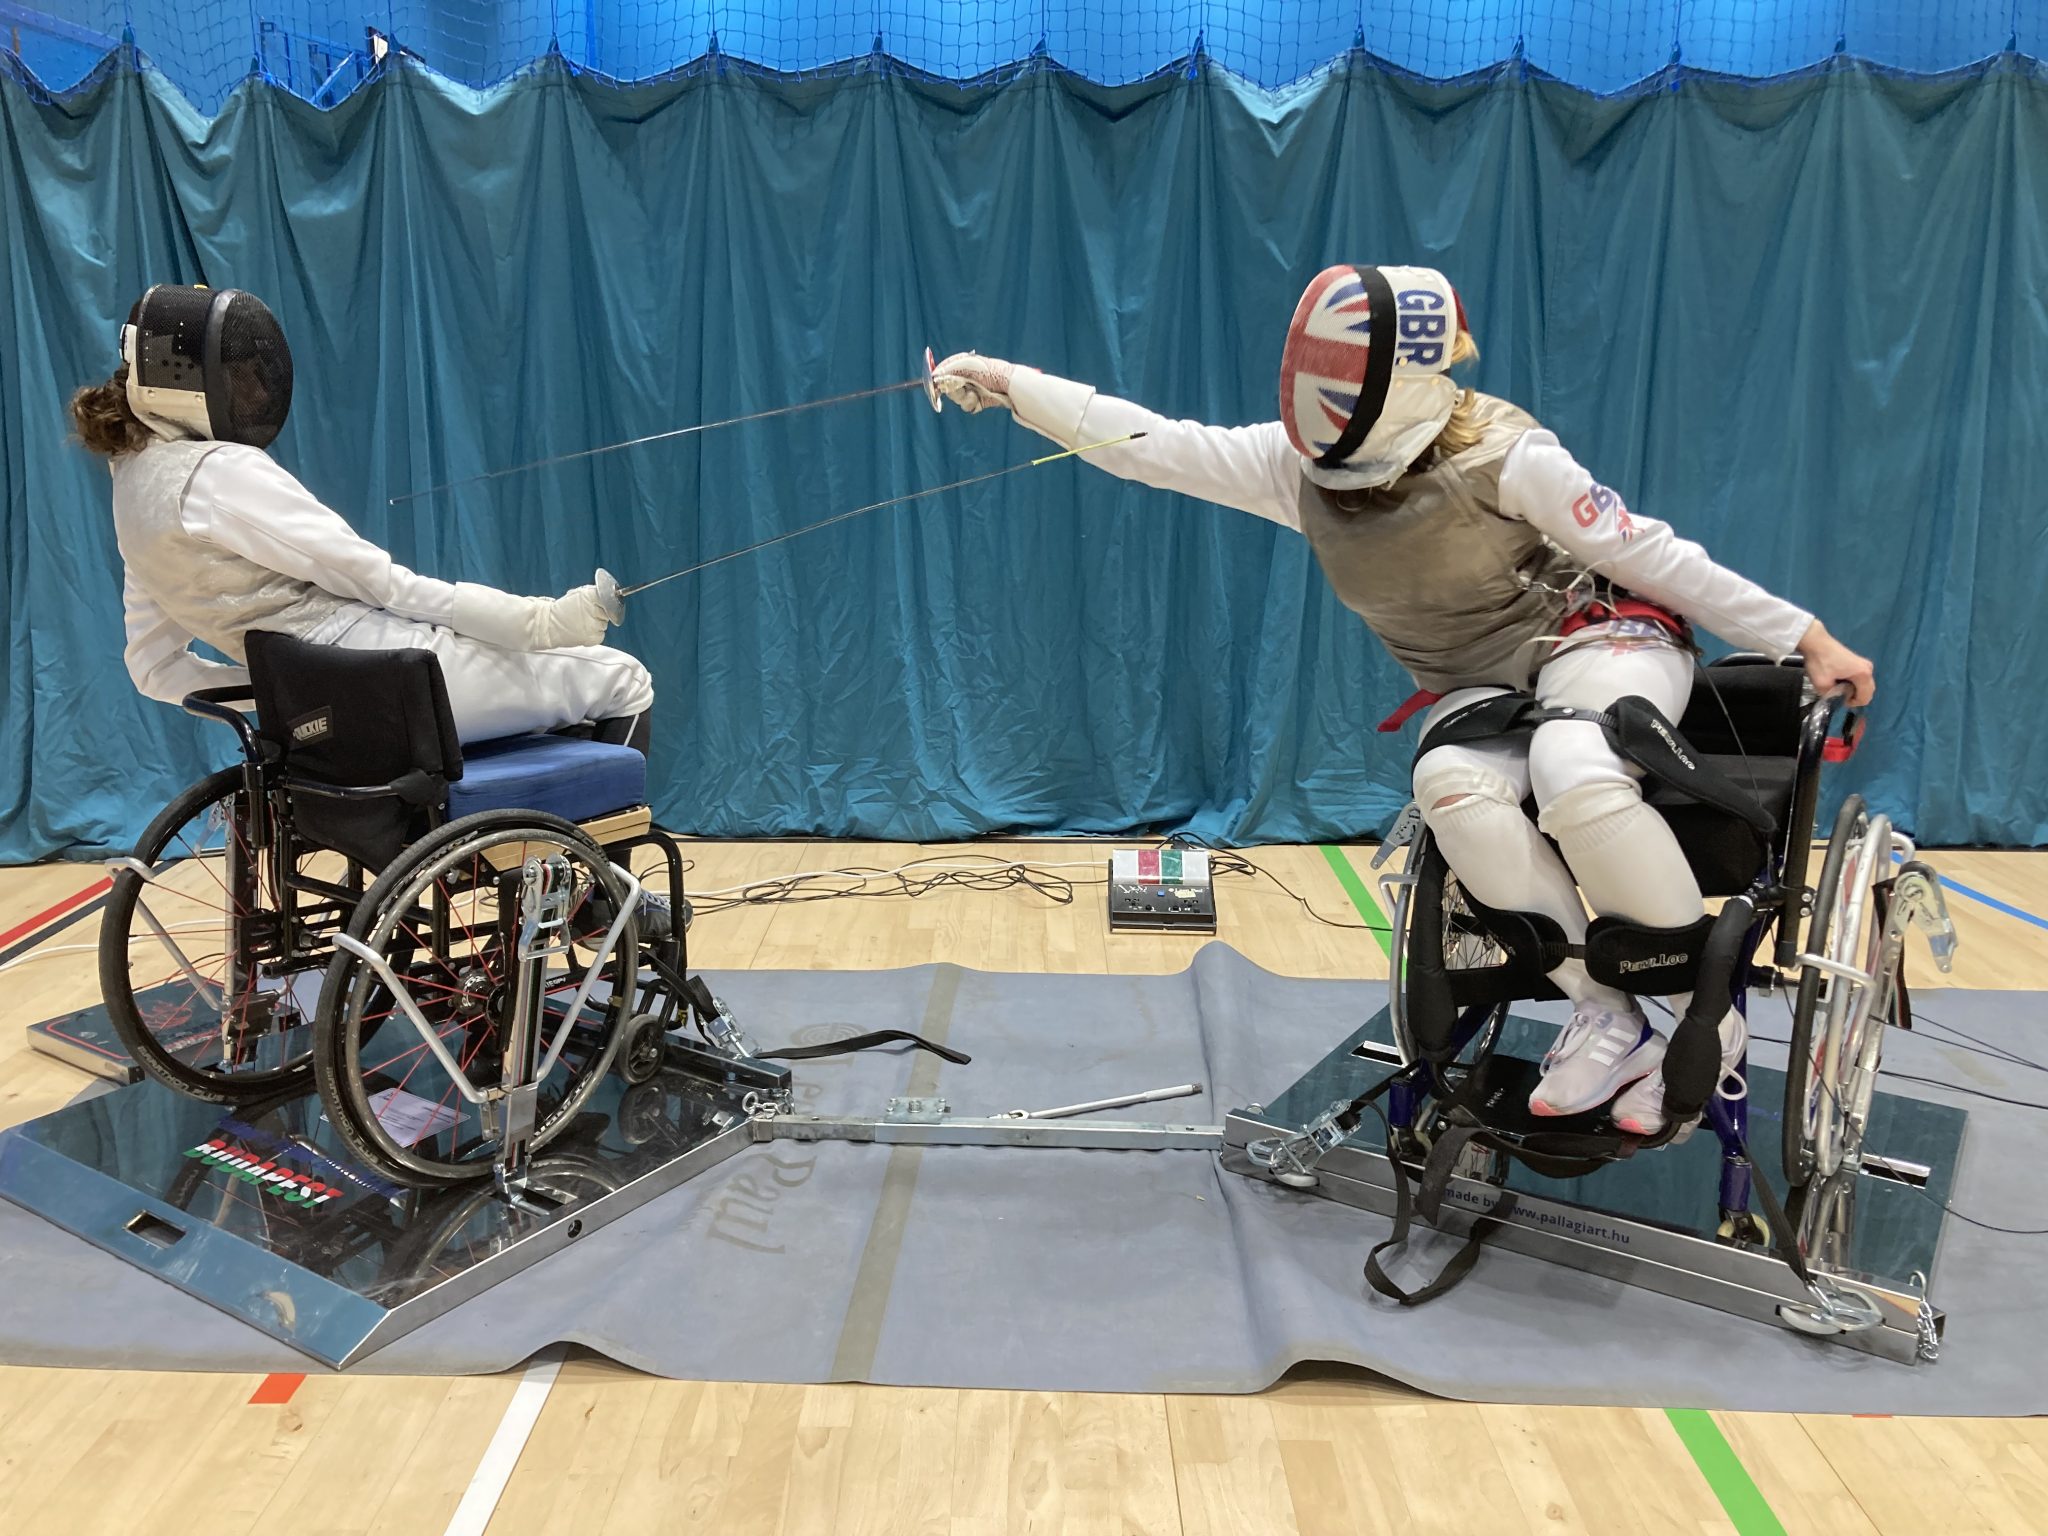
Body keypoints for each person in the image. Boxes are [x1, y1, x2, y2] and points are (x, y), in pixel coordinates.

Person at [930, 263, 1875, 1136]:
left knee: (1574, 763)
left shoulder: (1510, 455)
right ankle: (1608, 1010)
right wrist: (1010, 384)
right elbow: (1148, 444)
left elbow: (1651, 554)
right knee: (1453, 792)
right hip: (1482, 684)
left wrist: (1803, 637)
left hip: (1605, 641)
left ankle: (1703, 1014)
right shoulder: (1293, 468)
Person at [70, 284, 652, 750]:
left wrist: (282, 698)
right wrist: (538, 623)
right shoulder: (217, 471)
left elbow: (152, 667)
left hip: (318, 720)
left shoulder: (134, 484)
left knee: (547, 687)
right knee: (622, 677)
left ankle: (535, 863)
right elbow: (380, 583)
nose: (253, 387)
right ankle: (600, 895)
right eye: (236, 373)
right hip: (386, 685)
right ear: (189, 383)